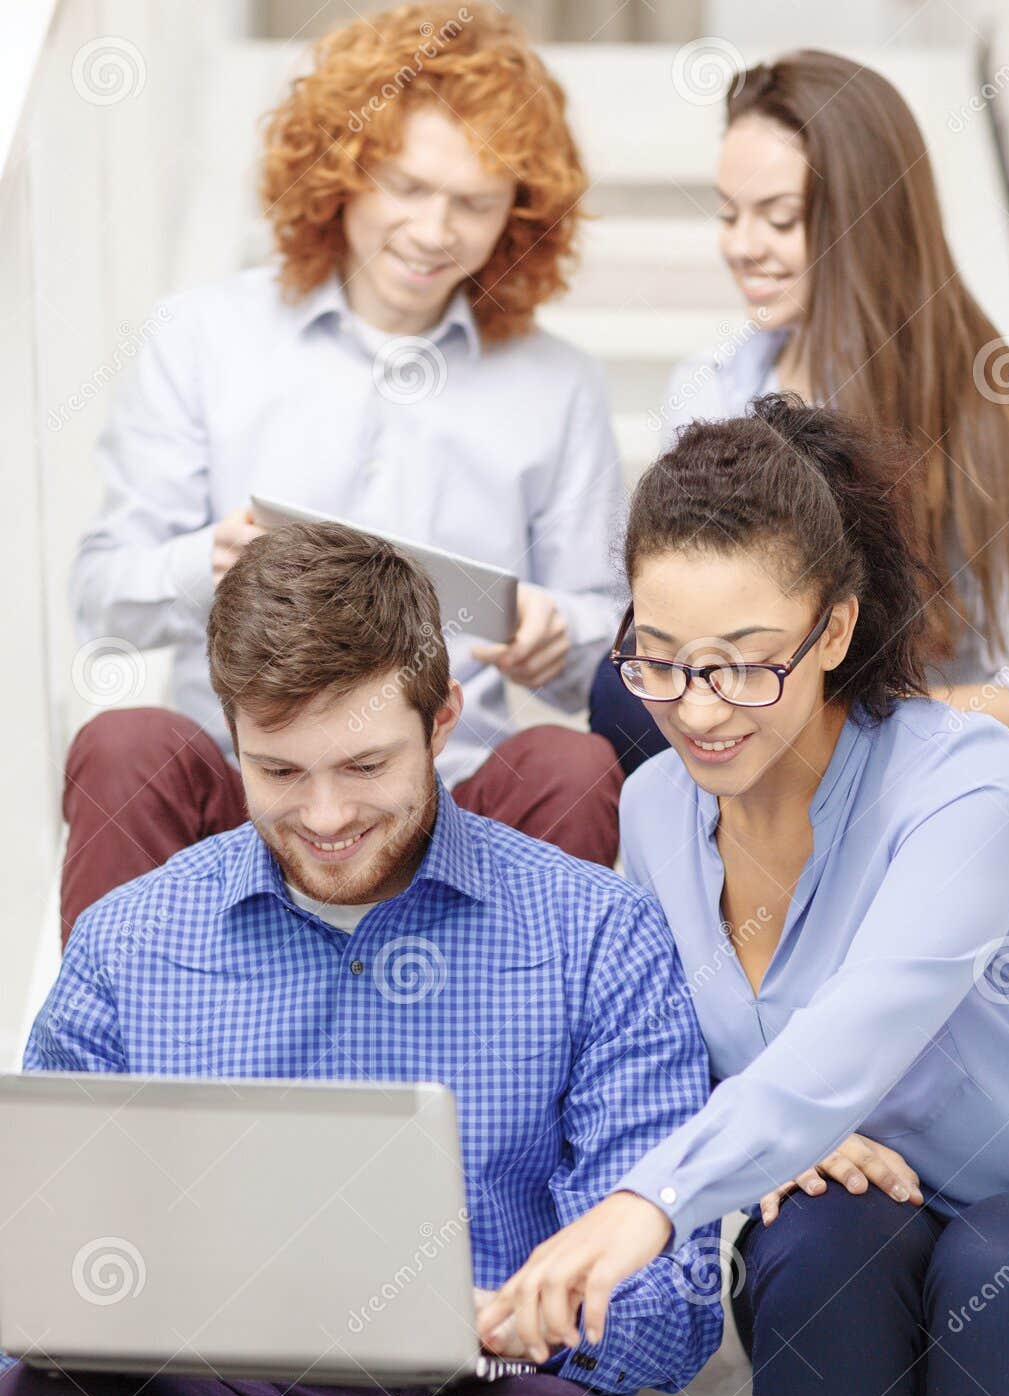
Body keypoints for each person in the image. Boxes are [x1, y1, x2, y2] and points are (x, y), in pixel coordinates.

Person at [0, 522, 722, 1396]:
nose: (326, 816)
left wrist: (543, 1308)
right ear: (232, 735)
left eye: (365, 765)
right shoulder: (130, 942)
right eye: (279, 770)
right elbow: (38, 1245)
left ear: (441, 723)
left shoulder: (594, 933)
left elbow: (676, 1295)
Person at [481, 398, 1009, 1396]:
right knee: (816, 1233)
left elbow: (868, 1018)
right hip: (887, 1255)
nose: (700, 704)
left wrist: (651, 1201)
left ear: (833, 629)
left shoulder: (966, 779)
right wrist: (782, 1138)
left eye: (745, 660)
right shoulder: (657, 810)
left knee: (1008, 1253)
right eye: (659, 658)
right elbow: (696, 1053)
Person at [62, 2, 625, 942]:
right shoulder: (204, 337)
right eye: (407, 186)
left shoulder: (556, 385)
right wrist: (205, 560)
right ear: (344, 169)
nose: (435, 230)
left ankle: (521, 1069)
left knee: (569, 764)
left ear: (516, 214)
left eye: (476, 203)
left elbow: (613, 647)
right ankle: (101, 1079)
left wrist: (556, 630)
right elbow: (99, 592)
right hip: (249, 781)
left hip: (444, 802)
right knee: (126, 747)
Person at [591, 49, 1009, 777]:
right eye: (730, 213)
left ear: (869, 220)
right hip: (748, 788)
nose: (741, 246)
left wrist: (842, 717)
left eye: (780, 218)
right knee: (616, 695)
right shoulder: (707, 390)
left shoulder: (992, 408)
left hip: (906, 782)